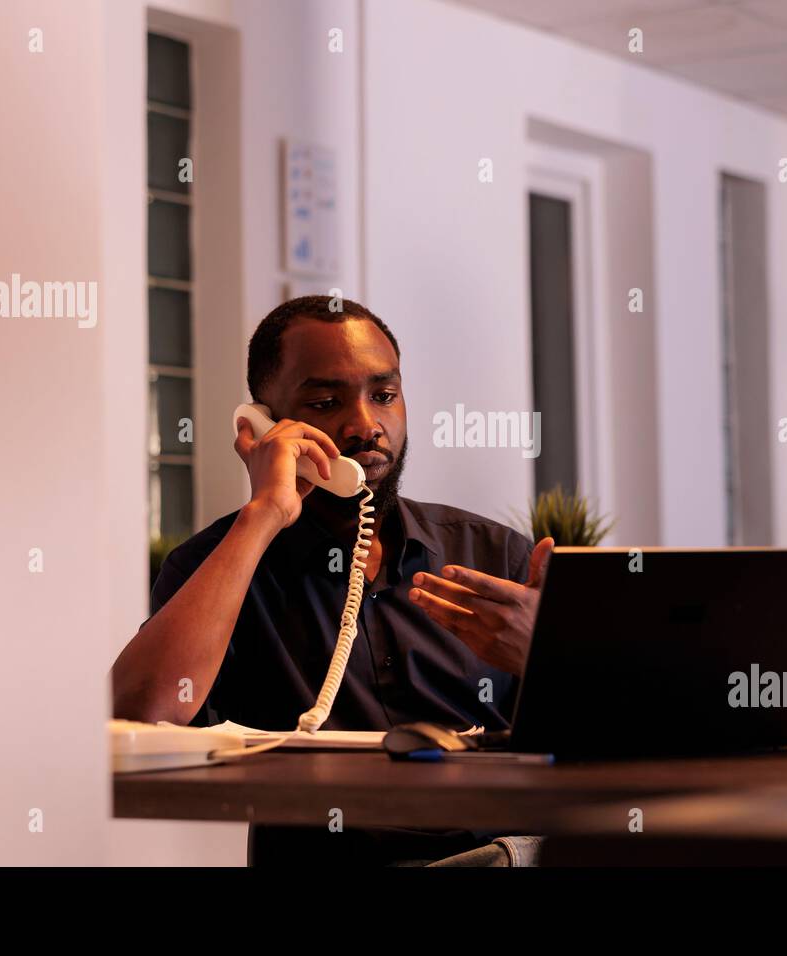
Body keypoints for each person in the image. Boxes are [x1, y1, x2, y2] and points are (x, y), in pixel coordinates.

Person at [111, 295, 554, 865]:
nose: (366, 425)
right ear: (261, 423)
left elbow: (618, 748)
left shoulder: (493, 554)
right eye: (324, 401)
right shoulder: (217, 567)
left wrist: (548, 658)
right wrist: (264, 514)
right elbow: (139, 715)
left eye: (385, 395)